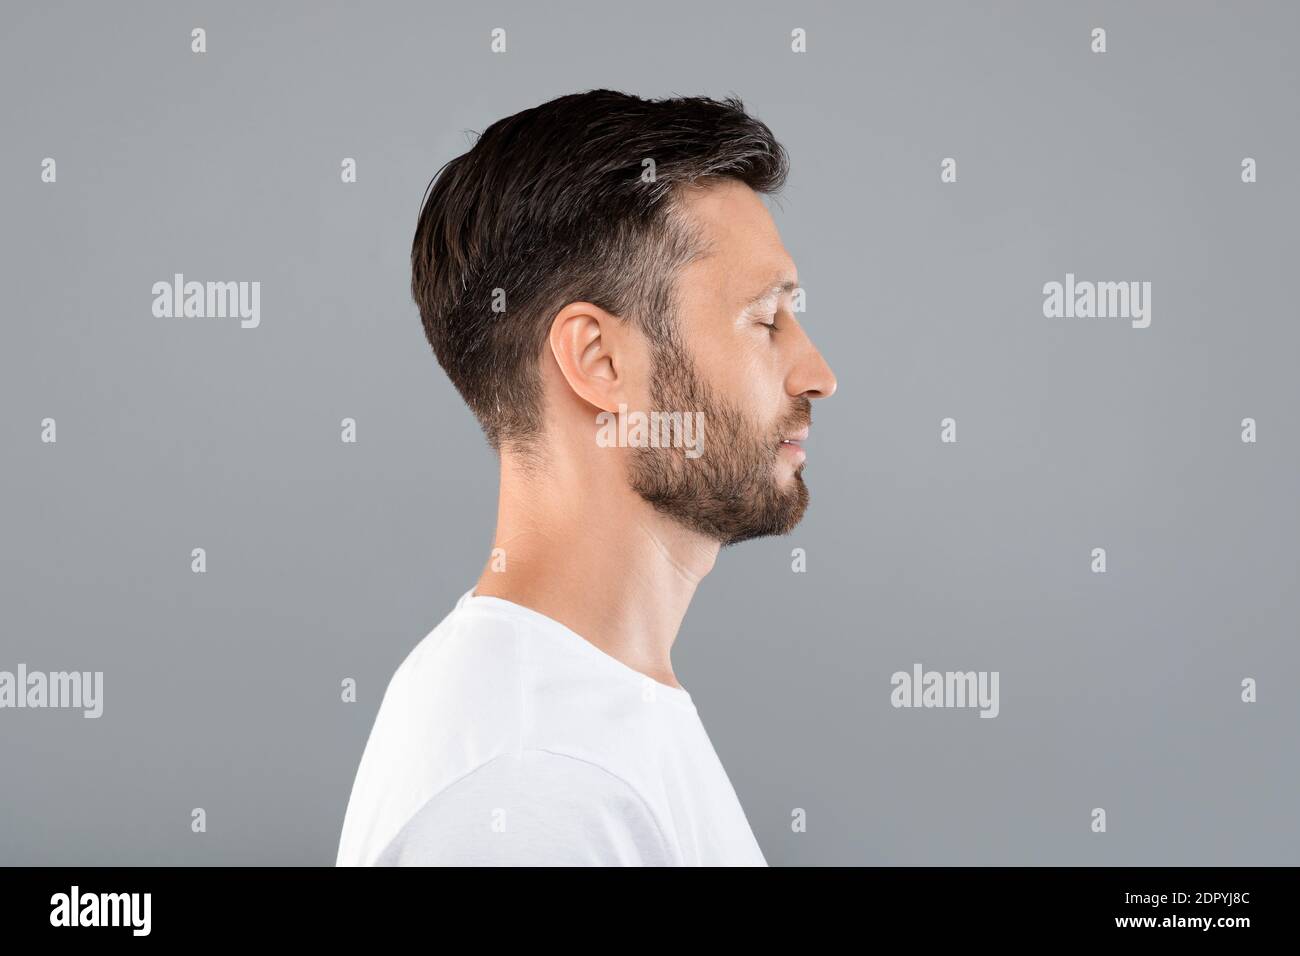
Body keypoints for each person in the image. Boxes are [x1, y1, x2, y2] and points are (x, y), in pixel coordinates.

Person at [336, 89, 837, 866]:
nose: (817, 374)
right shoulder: (532, 789)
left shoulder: (578, 720)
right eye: (767, 320)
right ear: (599, 362)